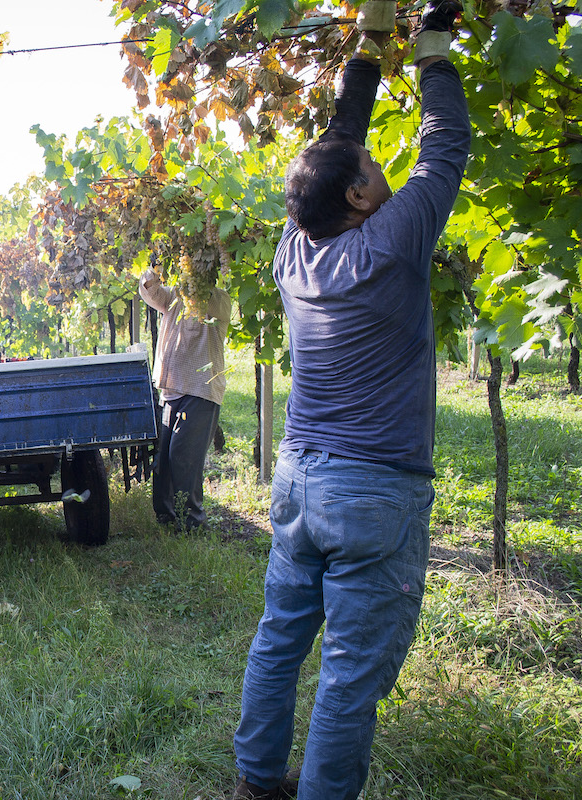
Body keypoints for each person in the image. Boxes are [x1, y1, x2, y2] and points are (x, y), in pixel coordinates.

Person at [231, 2, 470, 798]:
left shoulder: (295, 249)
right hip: (374, 492)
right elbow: (445, 152)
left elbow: (336, 150)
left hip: (299, 478)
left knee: (278, 642)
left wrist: (368, 54)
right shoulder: (392, 239)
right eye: (369, 167)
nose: (375, 164)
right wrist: (433, 55)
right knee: (348, 677)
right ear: (362, 200)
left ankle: (255, 780)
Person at [139, 268, 231, 532]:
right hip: (171, 390)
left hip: (200, 390)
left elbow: (209, 300)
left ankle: (193, 523)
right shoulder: (173, 298)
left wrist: (194, 278)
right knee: (164, 459)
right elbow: (150, 291)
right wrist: (156, 269)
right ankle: (166, 518)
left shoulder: (219, 300)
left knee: (183, 456)